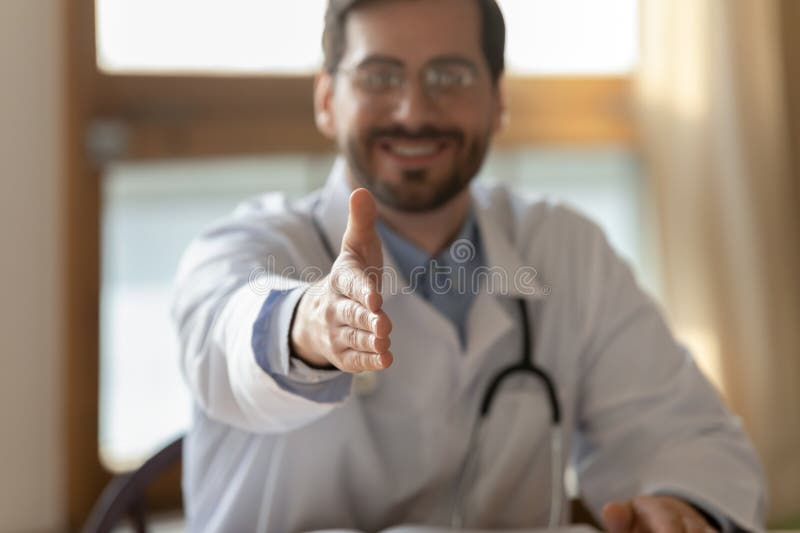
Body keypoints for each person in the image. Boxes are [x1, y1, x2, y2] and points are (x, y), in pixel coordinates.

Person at [171, 0, 766, 531]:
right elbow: (225, 335)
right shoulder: (247, 246)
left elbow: (683, 432)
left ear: (498, 99)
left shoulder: (562, 248)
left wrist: (681, 505)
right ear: (328, 102)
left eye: (450, 75)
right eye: (380, 76)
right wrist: (309, 326)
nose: (414, 110)